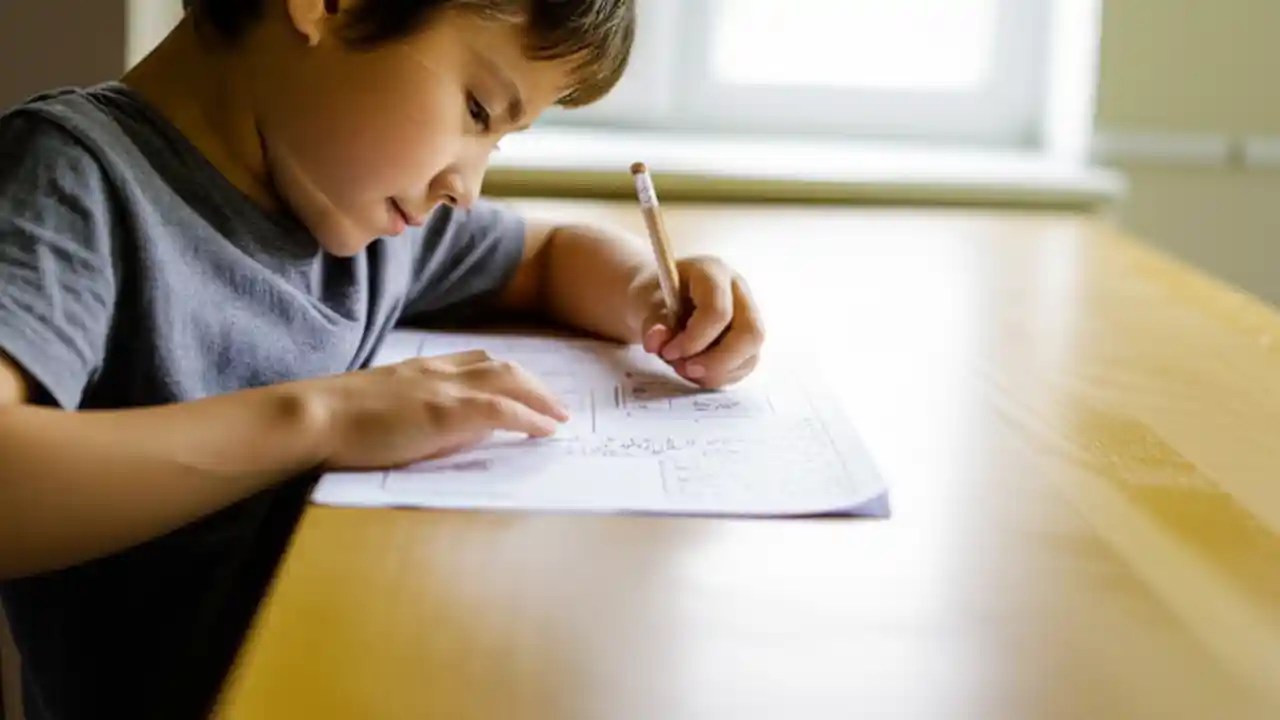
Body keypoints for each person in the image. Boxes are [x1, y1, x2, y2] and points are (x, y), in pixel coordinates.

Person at [0, 1, 765, 717]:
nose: (466, 189)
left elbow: (547, 257)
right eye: (476, 111)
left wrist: (651, 293)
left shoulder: (344, 202)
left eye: (497, 141)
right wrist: (326, 416)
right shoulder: (70, 183)